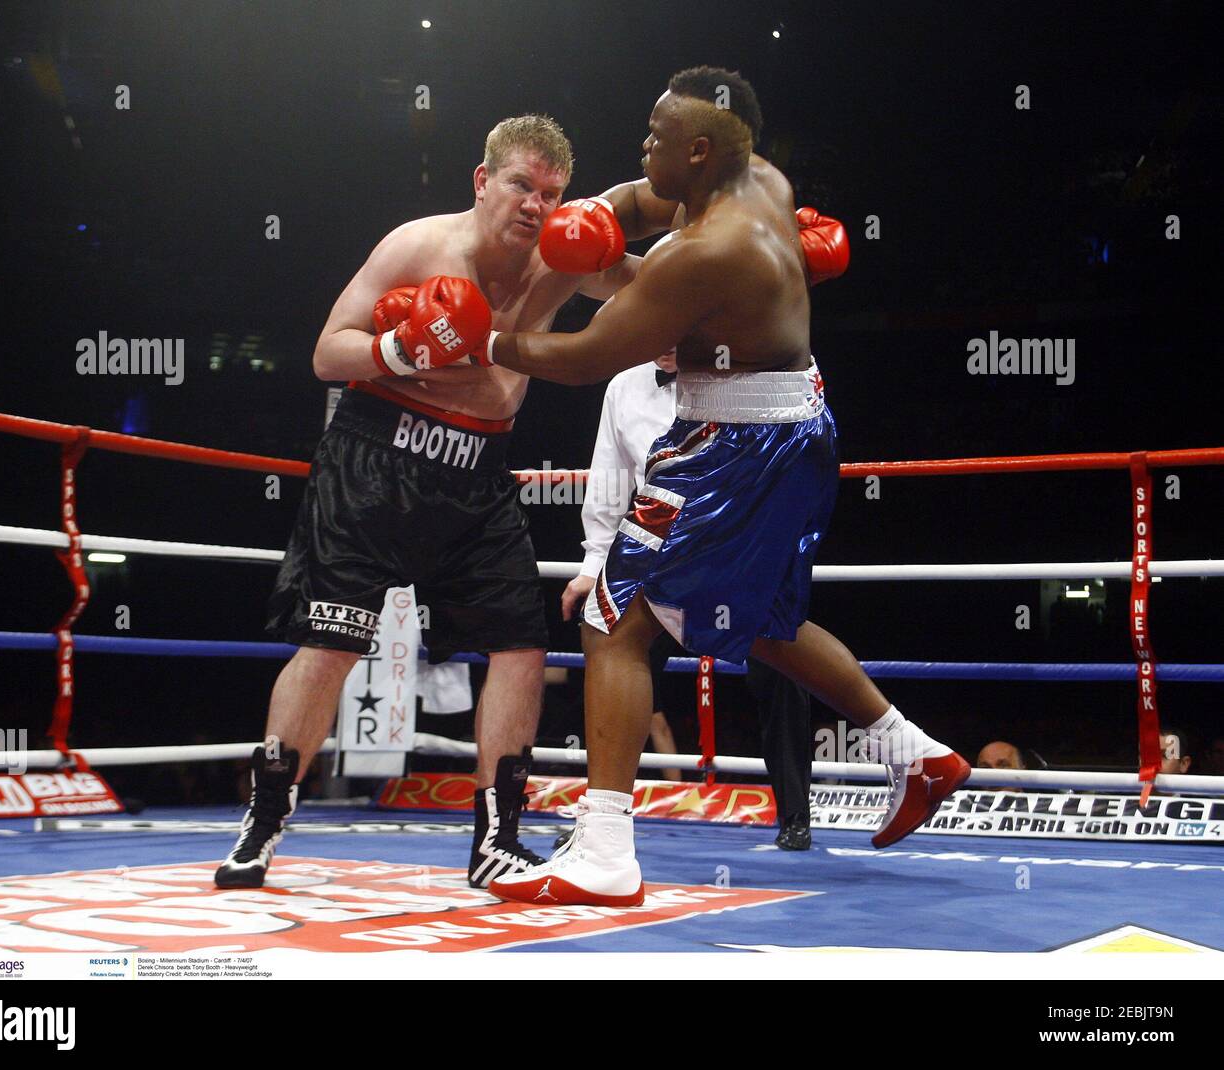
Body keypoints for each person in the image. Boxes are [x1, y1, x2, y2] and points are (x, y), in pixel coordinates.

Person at [479, 67, 969, 906]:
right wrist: (597, 215)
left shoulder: (709, 252)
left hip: (732, 441)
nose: (642, 147)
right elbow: (639, 197)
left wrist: (482, 340)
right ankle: (911, 750)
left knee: (617, 619)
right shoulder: (760, 181)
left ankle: (604, 852)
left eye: (656, 135)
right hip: (800, 426)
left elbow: (589, 356)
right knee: (768, 622)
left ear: (698, 150)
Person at [215, 115, 639, 890]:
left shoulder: (565, 254)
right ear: (483, 182)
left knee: (521, 643)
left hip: (478, 472)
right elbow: (325, 353)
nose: (536, 205)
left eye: (550, 193)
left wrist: (726, 248)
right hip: (375, 462)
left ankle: (497, 839)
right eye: (521, 185)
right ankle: (265, 821)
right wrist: (398, 351)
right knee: (332, 643)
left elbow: (646, 285)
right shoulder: (417, 246)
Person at [564, 206, 850, 850]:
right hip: (662, 550)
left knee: (778, 655)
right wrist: (591, 565)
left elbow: (798, 454)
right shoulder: (625, 387)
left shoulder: (757, 363)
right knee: (612, 639)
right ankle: (605, 819)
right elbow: (610, 481)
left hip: (744, 539)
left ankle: (796, 812)